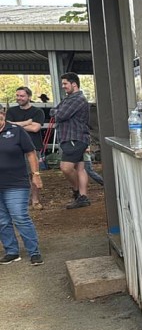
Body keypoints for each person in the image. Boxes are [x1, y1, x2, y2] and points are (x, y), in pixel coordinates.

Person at [0, 108, 43, 266]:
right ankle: (11, 251)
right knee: (2, 220)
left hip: (16, 182)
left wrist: (36, 174)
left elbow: (31, 153)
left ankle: (34, 251)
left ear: (2, 115)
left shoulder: (16, 131)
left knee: (19, 216)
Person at [51, 72, 91, 209]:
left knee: (66, 167)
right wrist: (56, 111)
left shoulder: (77, 99)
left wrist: (57, 112)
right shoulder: (70, 98)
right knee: (80, 167)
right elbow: (55, 111)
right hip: (75, 137)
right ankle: (83, 197)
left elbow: (60, 114)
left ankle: (77, 192)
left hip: (73, 137)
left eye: (65, 84)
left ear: (74, 84)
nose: (63, 86)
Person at [6, 86, 46, 209]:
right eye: (17, 96)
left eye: (22, 96)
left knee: (33, 173)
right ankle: (19, 201)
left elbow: (35, 128)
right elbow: (7, 126)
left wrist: (15, 124)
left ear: (29, 96)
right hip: (13, 147)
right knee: (15, 174)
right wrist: (26, 123)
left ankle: (35, 201)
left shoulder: (38, 112)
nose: (19, 98)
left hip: (32, 147)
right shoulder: (11, 111)